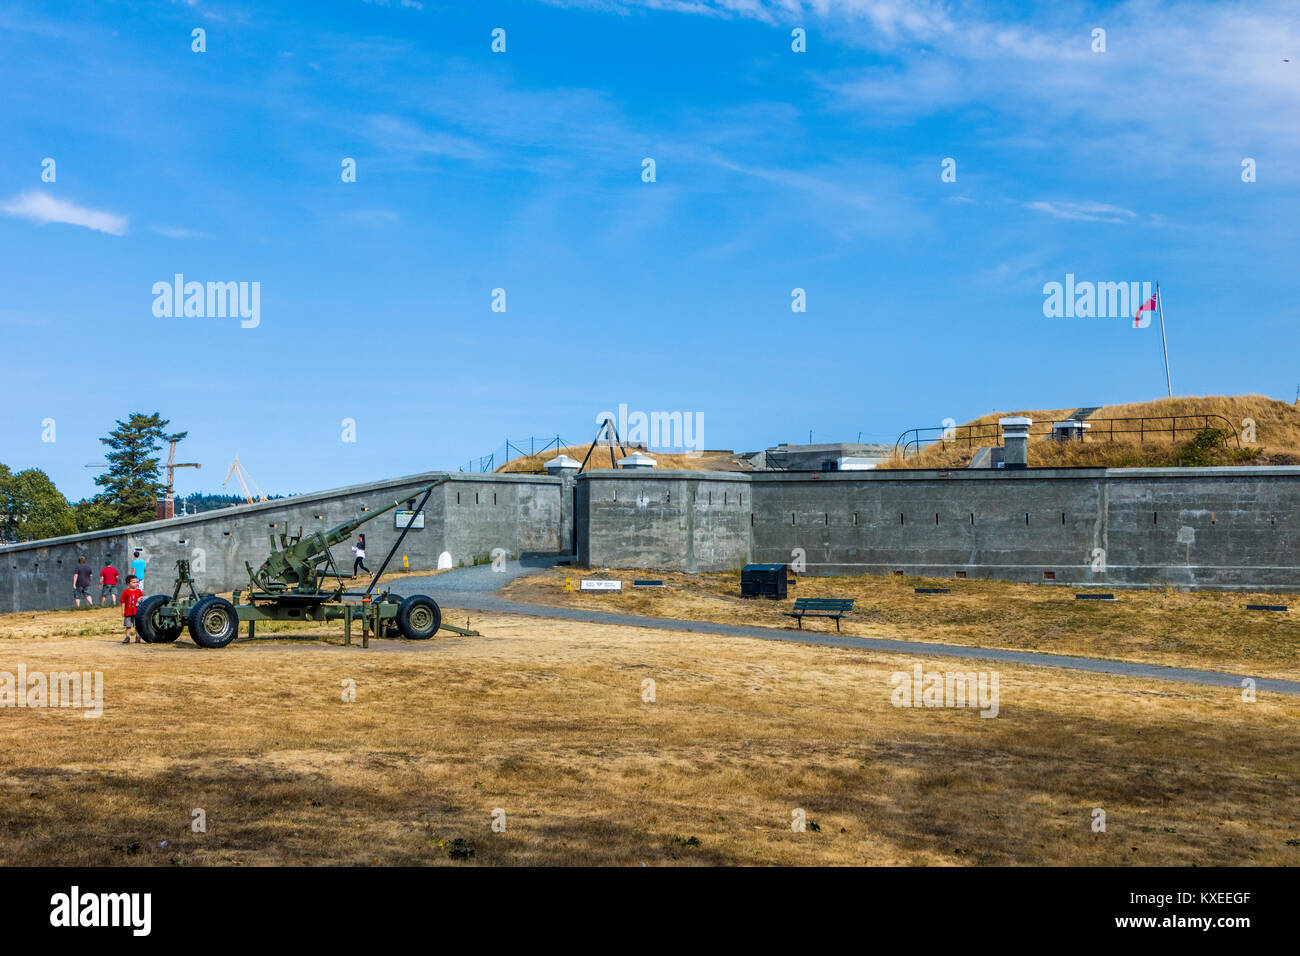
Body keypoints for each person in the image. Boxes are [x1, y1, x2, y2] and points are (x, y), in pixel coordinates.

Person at [121, 575, 144, 644]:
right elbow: (123, 602)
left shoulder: (139, 591)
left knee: (137, 626)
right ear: (128, 584)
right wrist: (123, 611)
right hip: (128, 612)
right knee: (128, 626)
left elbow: (141, 601)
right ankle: (127, 637)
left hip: (136, 612)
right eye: (134, 582)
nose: (136, 584)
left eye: (137, 582)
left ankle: (138, 637)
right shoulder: (126, 592)